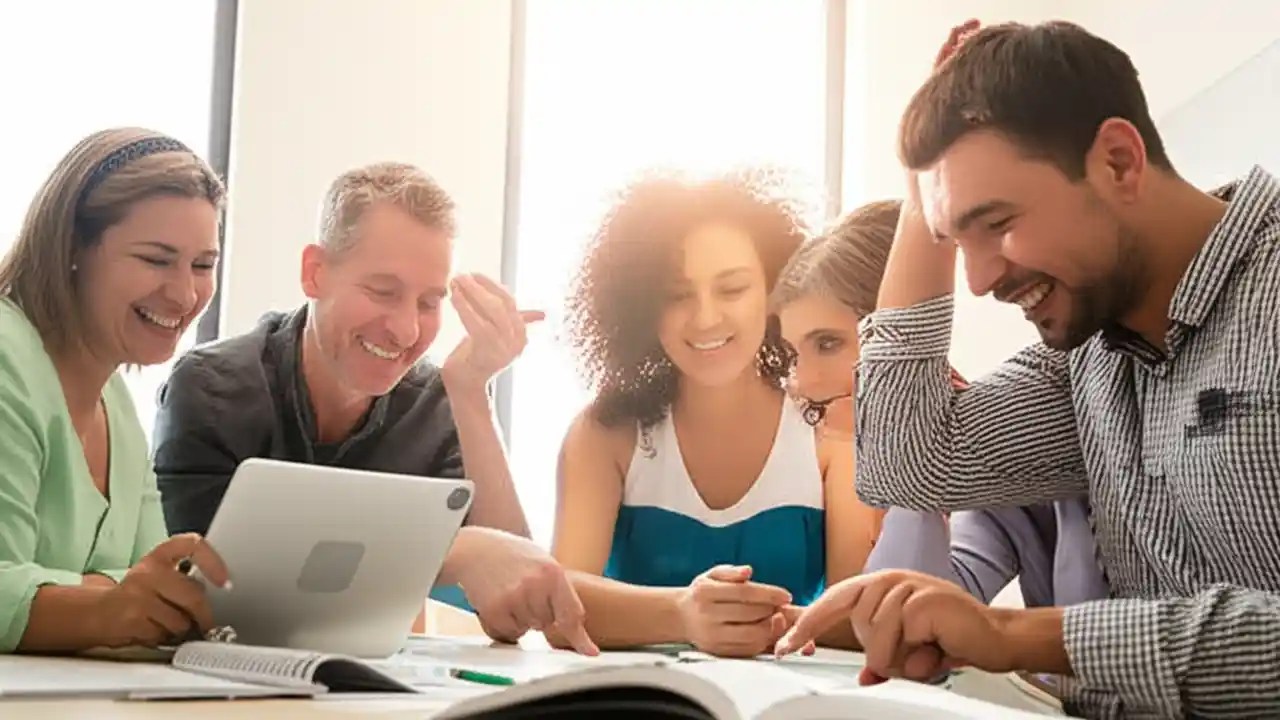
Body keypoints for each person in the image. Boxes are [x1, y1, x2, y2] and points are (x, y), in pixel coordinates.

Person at [777, 19, 1280, 719]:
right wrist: (928, 191)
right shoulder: (1090, 360)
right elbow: (907, 462)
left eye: (999, 223)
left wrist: (1016, 636)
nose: (979, 280)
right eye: (959, 238)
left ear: (1118, 163)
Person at [153, 162, 596, 654]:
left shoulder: (436, 402)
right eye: (383, 292)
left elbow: (514, 600)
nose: (406, 330)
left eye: (429, 302)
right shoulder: (211, 389)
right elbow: (206, 588)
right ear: (314, 273)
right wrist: (448, 551)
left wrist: (471, 392)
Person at [550, 169, 882, 657]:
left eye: (732, 289)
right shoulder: (605, 435)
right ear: (642, 306)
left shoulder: (828, 432)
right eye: (677, 295)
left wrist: (745, 621)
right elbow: (559, 612)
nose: (705, 317)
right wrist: (684, 613)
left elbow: (857, 619)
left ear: (774, 292)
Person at [772, 198, 1106, 610]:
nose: (802, 381)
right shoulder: (976, 466)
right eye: (793, 353)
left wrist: (913, 425)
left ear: (901, 333)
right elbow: (913, 612)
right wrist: (920, 445)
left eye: (827, 344)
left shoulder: (1041, 419)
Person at [0, 128, 231, 653]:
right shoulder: (6, 357)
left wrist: (87, 598)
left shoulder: (116, 403)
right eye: (155, 259)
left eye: (203, 265)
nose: (185, 293)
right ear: (73, 247)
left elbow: (156, 585)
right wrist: (108, 602)